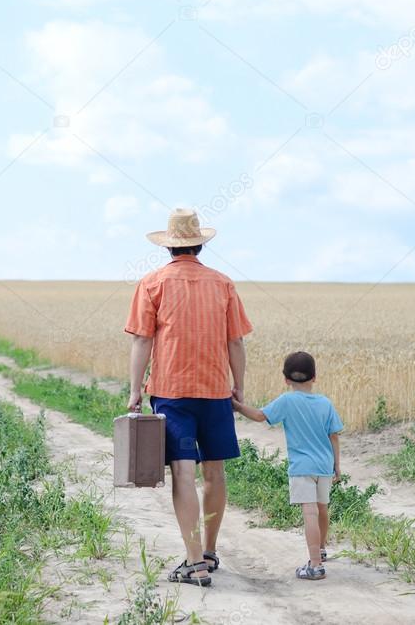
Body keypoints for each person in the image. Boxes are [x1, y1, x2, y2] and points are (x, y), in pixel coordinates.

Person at [125, 208, 253, 587]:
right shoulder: (224, 284)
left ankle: (194, 563)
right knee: (215, 472)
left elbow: (142, 339)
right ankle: (210, 553)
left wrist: (135, 389)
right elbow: (236, 341)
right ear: (200, 244)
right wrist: (238, 385)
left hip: (171, 392)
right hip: (214, 391)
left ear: (168, 246)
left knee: (183, 471)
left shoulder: (152, 283)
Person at [232, 351, 343, 580]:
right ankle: (321, 549)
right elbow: (334, 436)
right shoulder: (325, 403)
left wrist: (237, 406)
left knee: (309, 512)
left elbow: (261, 416)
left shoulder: (287, 400)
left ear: (286, 379)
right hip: (324, 465)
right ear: (315, 377)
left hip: (302, 467)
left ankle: (314, 565)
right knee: (322, 508)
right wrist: (337, 466)